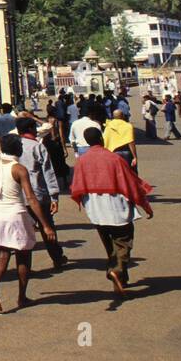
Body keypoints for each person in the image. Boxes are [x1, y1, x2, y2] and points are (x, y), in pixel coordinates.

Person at [69, 127, 154, 296]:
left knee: (110, 245)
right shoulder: (113, 158)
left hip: (95, 209)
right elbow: (129, 183)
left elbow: (77, 185)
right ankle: (116, 270)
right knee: (123, 241)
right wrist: (145, 205)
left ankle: (120, 279)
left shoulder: (82, 161)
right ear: (101, 138)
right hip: (116, 206)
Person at [0, 133, 57, 314]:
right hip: (15, 214)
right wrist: (45, 224)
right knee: (23, 255)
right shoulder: (18, 169)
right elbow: (31, 198)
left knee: (2, 254)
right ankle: (22, 296)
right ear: (17, 148)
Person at [15, 118, 67, 269]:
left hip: (20, 195)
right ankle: (57, 257)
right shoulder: (38, 147)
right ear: (31, 129)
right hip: (38, 194)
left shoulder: (14, 147)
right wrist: (54, 196)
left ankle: (25, 266)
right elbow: (48, 173)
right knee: (47, 228)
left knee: (25, 231)